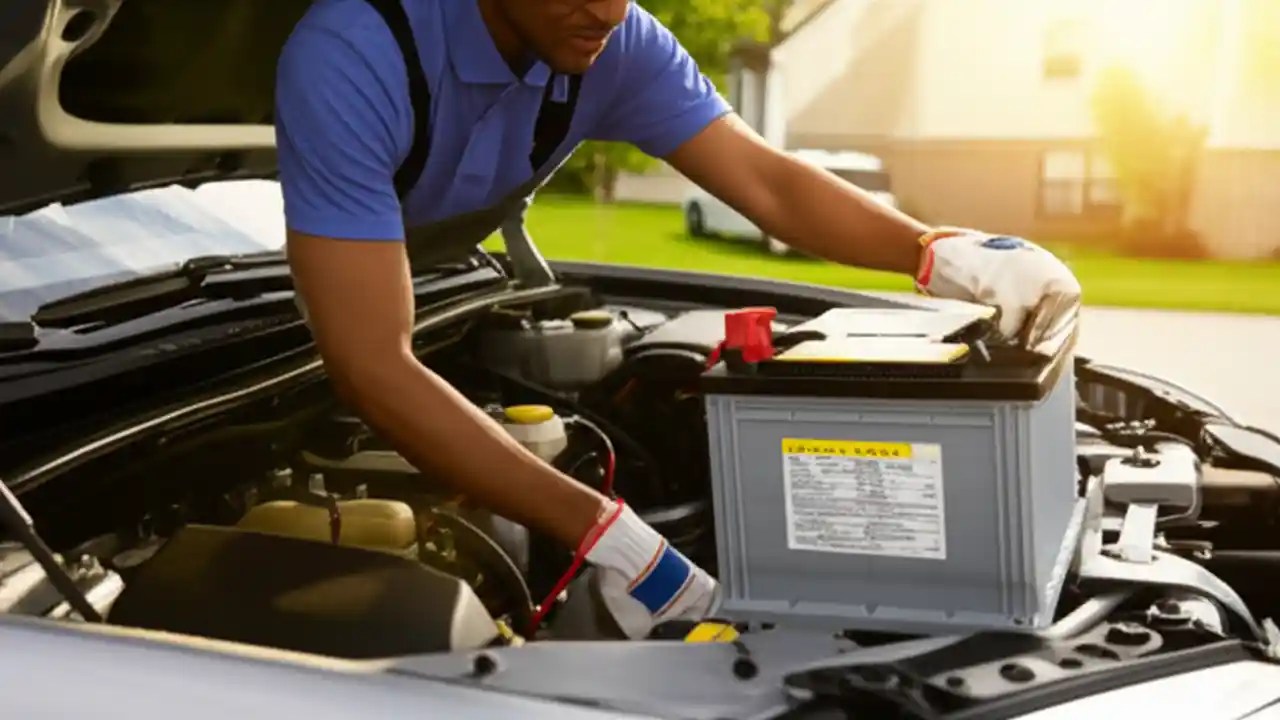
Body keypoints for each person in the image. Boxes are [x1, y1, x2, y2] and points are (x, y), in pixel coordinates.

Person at [274, 0, 1082, 640]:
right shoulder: (352, 53)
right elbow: (374, 363)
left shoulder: (609, 42)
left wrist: (945, 253)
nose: (608, 10)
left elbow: (767, 184)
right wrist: (604, 535)